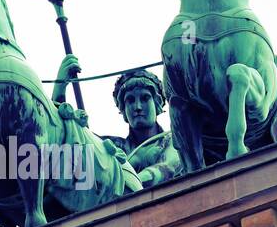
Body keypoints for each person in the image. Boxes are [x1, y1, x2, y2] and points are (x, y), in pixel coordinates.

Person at [51, 58, 182, 187]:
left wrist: (120, 183)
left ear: (157, 104)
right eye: (130, 100)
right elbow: (72, 142)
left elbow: (166, 168)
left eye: (145, 98)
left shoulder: (173, 140)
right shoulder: (114, 147)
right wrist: (60, 87)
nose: (138, 107)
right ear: (123, 110)